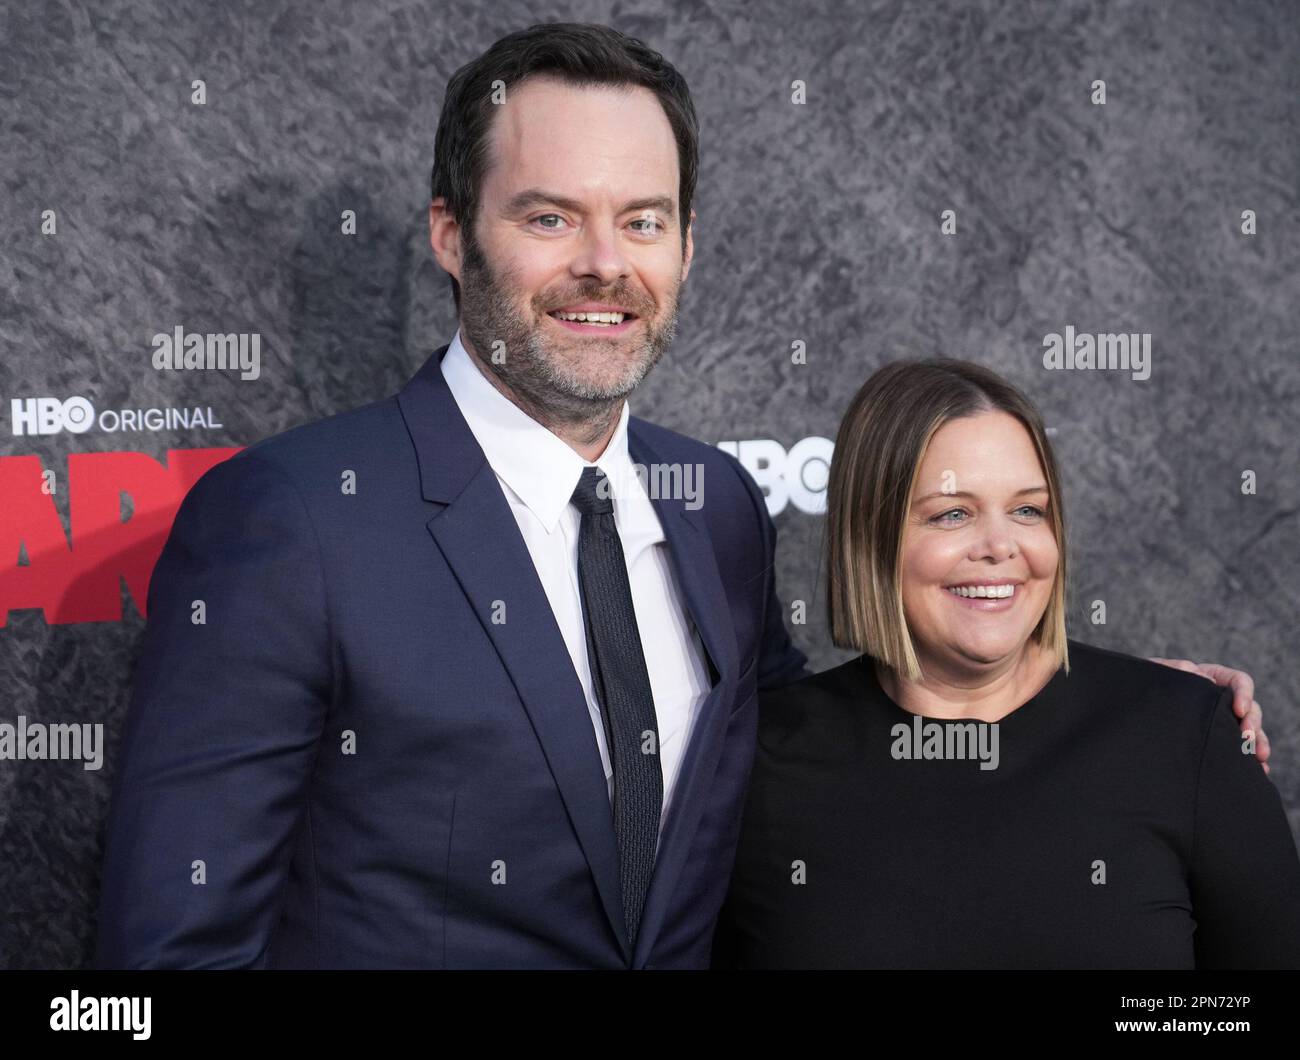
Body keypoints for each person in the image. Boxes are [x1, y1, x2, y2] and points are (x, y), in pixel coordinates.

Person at [94, 23, 1266, 970]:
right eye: (549, 216)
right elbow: (170, 952)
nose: (605, 262)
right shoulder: (293, 519)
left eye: (641, 220)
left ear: (687, 246)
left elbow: (818, 751)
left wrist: (1091, 701)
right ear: (453, 235)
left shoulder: (710, 506)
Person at [712, 359, 1300, 969]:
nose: (1001, 546)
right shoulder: (753, 762)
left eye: (1028, 511)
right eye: (952, 513)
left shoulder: (1184, 733)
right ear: (870, 536)